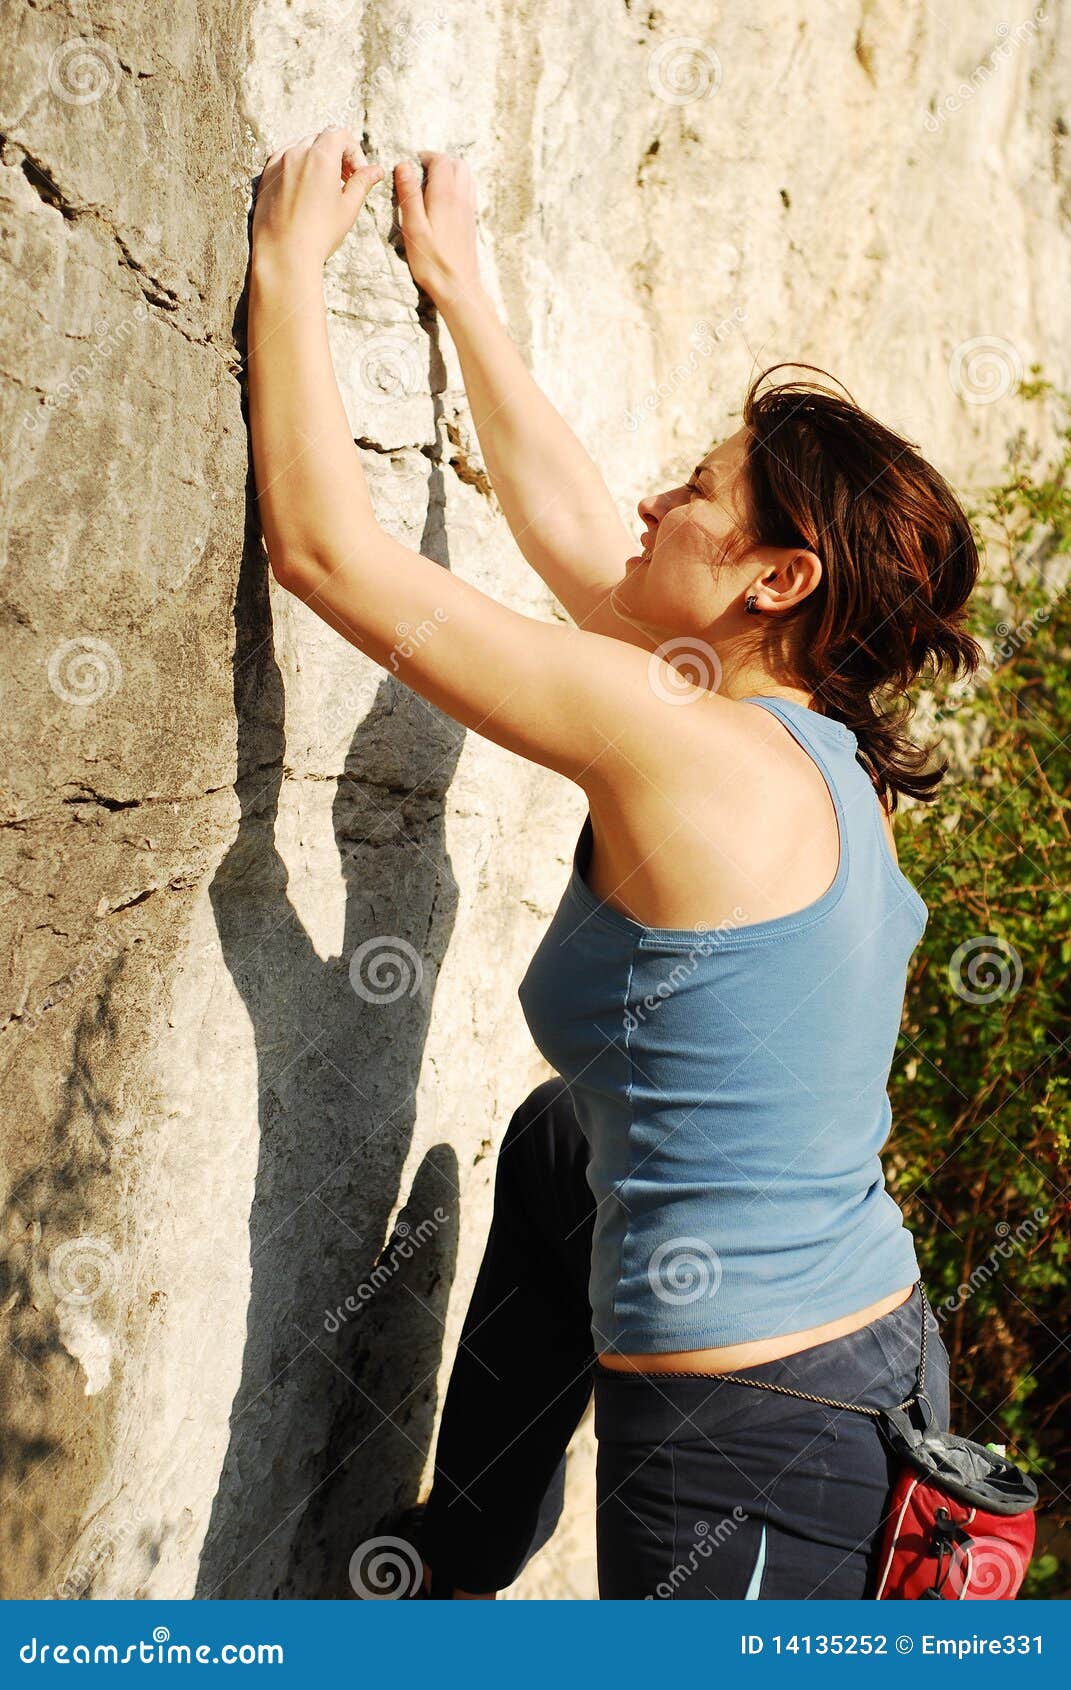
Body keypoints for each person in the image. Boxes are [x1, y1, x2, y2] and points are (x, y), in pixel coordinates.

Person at [248, 131, 980, 1599]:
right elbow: (591, 547)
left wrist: (284, 265)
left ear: (779, 579)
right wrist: (460, 290)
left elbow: (327, 555)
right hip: (876, 1352)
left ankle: (450, 1580)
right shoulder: (813, 745)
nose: (658, 501)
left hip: (757, 1443)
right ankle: (466, 1552)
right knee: (560, 1139)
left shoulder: (681, 745)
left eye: (698, 492)